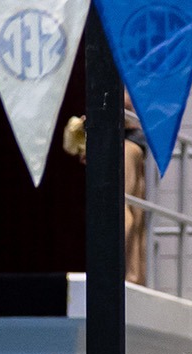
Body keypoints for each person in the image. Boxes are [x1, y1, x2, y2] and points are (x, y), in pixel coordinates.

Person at [62, 105, 149, 285]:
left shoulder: (124, 82)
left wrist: (93, 124)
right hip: (132, 142)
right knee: (136, 210)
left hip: (126, 143)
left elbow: (122, 107)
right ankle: (134, 276)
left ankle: (112, 270)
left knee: (122, 208)